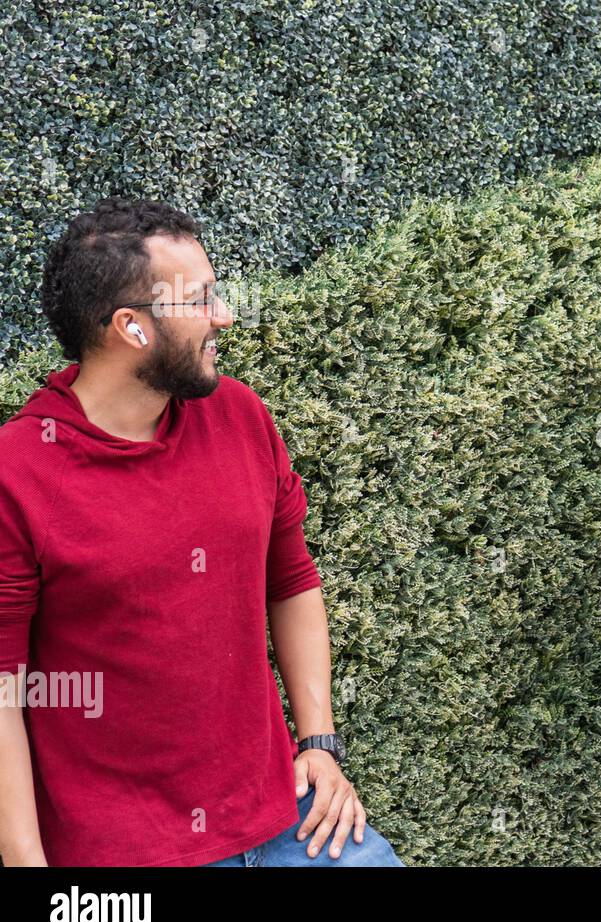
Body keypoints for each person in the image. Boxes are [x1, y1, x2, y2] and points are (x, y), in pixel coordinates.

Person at [0, 198, 401, 866]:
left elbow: (292, 580)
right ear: (131, 327)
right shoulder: (19, 471)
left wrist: (320, 744)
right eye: (202, 301)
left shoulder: (239, 415)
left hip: (291, 823)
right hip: (127, 856)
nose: (225, 316)